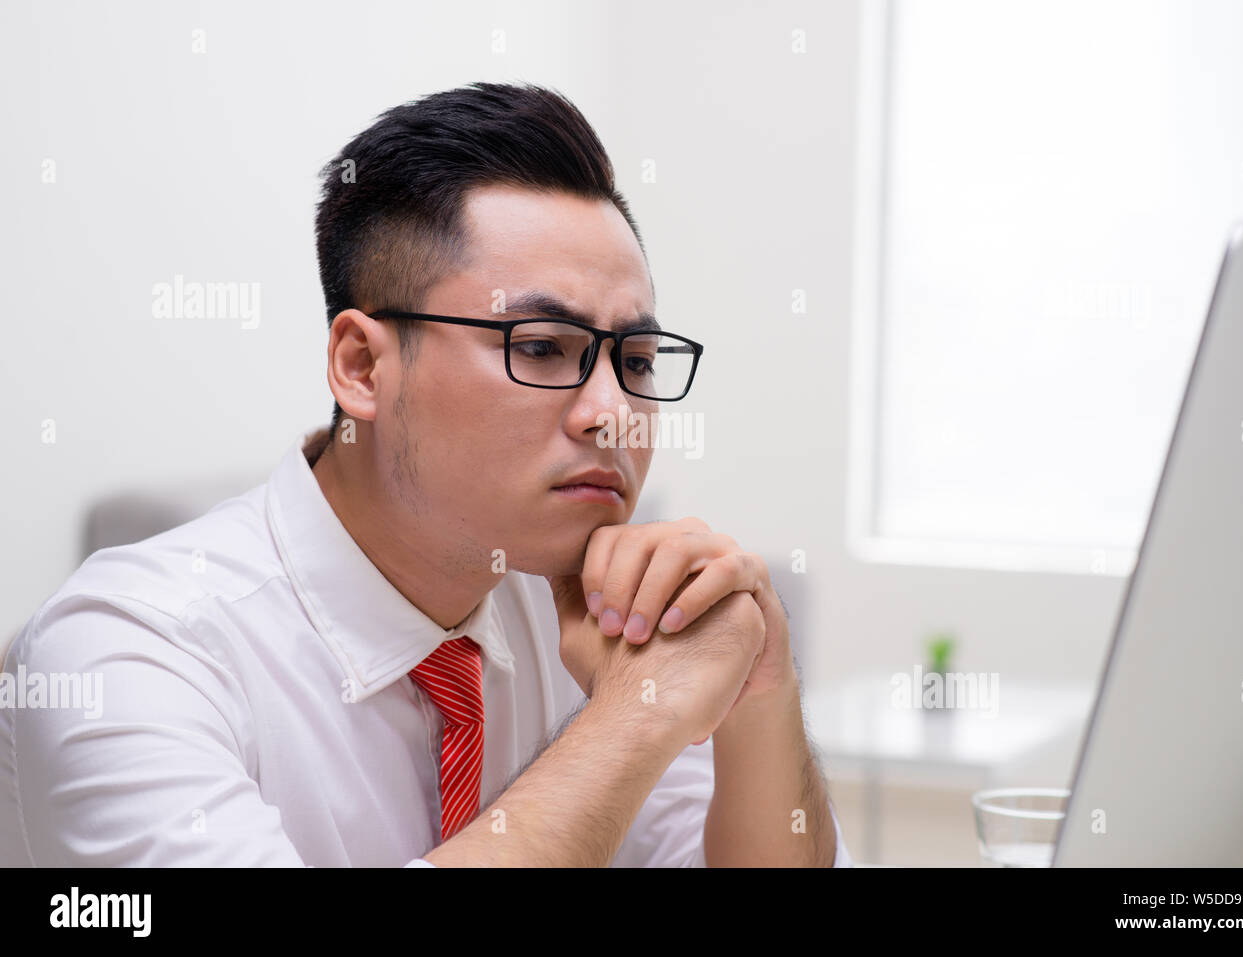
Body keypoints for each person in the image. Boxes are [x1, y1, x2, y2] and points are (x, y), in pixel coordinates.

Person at [0, 82, 852, 867]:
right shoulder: (127, 648)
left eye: (634, 359)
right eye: (542, 348)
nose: (614, 411)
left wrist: (760, 694)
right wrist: (635, 716)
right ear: (362, 367)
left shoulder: (590, 605)